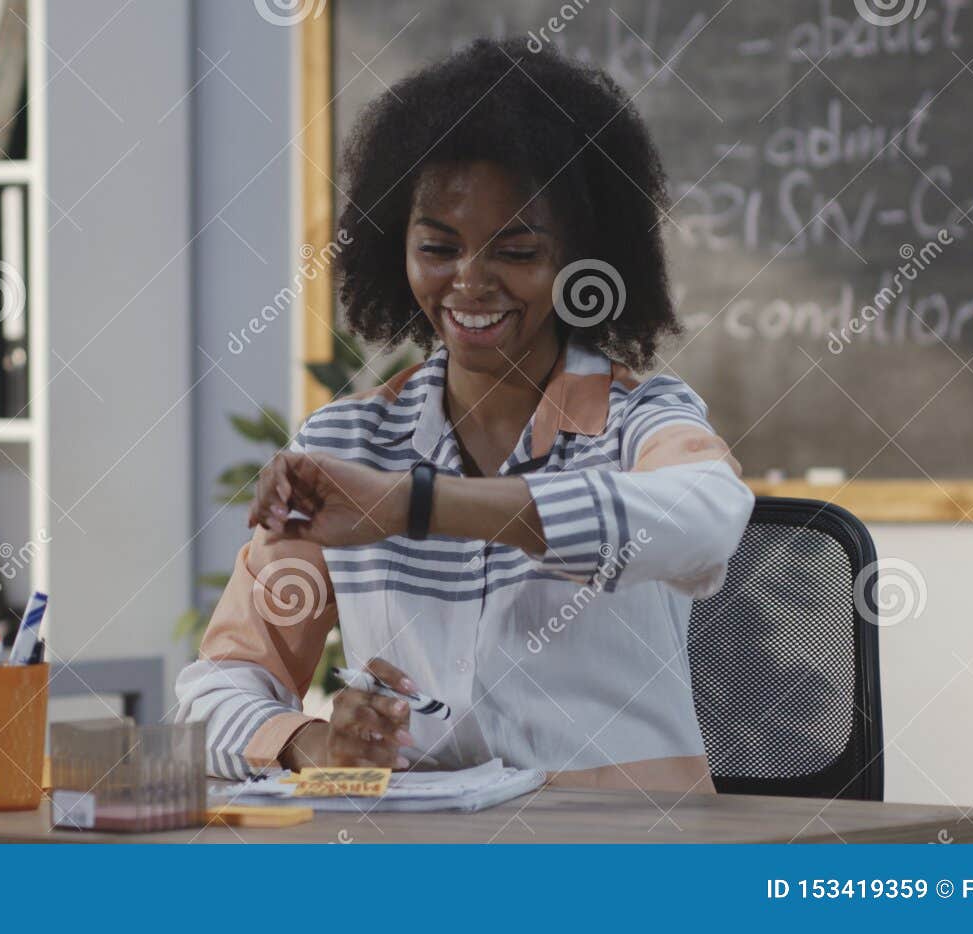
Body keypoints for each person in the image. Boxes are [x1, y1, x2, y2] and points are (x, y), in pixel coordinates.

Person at [174, 39, 752, 793]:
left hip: (625, 842)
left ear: (579, 258)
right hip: (425, 848)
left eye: (517, 252)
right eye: (438, 247)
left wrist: (414, 505)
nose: (470, 282)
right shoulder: (346, 446)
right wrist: (313, 743)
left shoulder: (640, 419)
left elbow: (706, 520)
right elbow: (215, 689)